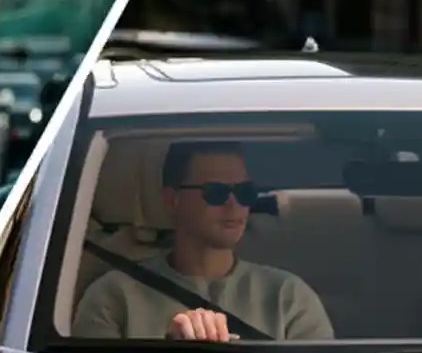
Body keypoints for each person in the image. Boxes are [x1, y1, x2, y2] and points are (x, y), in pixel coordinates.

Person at [73, 141, 334, 341]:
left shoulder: (288, 297)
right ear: (172, 200)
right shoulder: (113, 297)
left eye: (245, 192)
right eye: (216, 192)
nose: (234, 205)